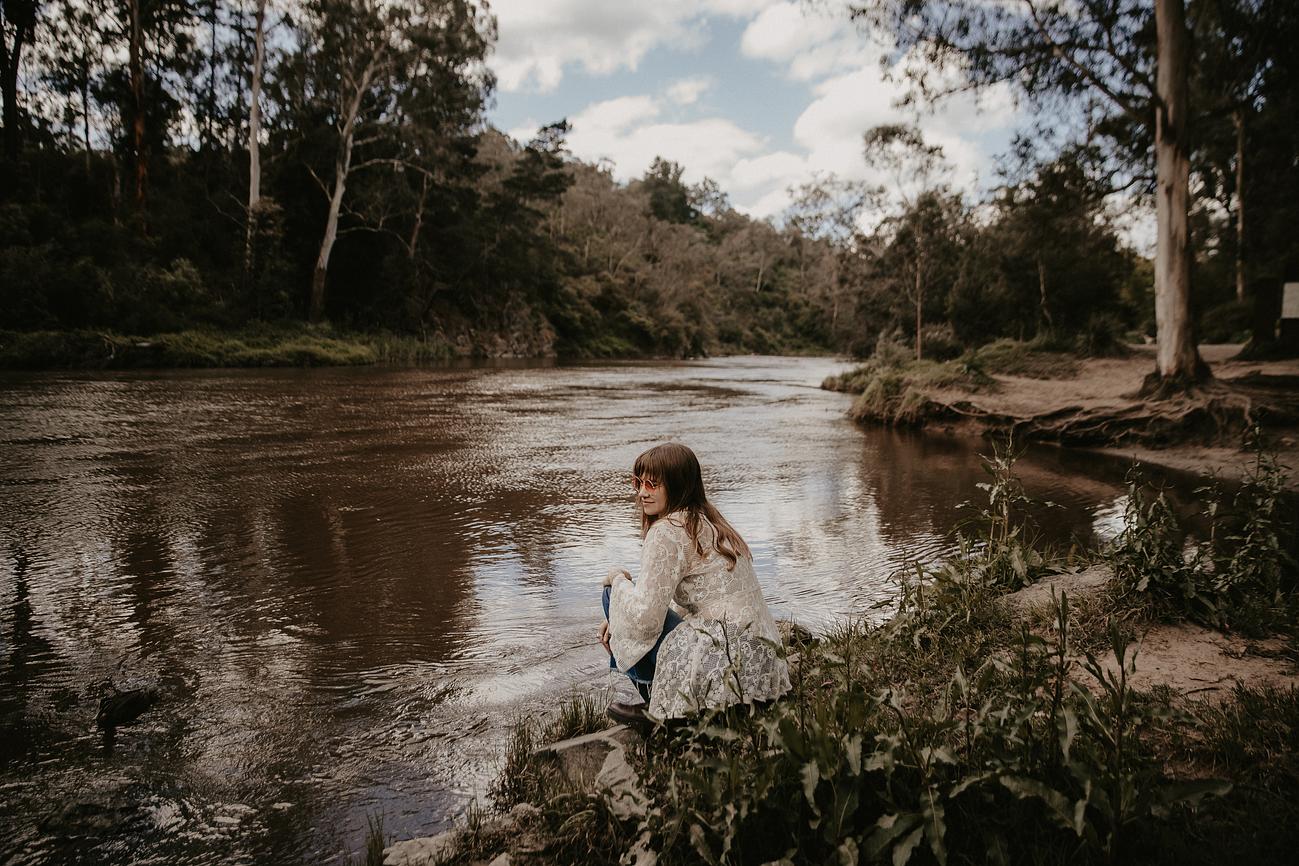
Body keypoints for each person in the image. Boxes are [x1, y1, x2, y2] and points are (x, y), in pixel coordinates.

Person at [599, 443, 791, 727]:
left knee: (611, 593)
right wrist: (620, 616)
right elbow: (694, 598)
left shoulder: (666, 530)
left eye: (652, 484)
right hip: (760, 665)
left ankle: (658, 706)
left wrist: (616, 582)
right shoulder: (711, 521)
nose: (642, 492)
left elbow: (645, 617)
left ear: (677, 485)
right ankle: (668, 699)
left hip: (722, 658)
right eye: (637, 482)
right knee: (628, 601)